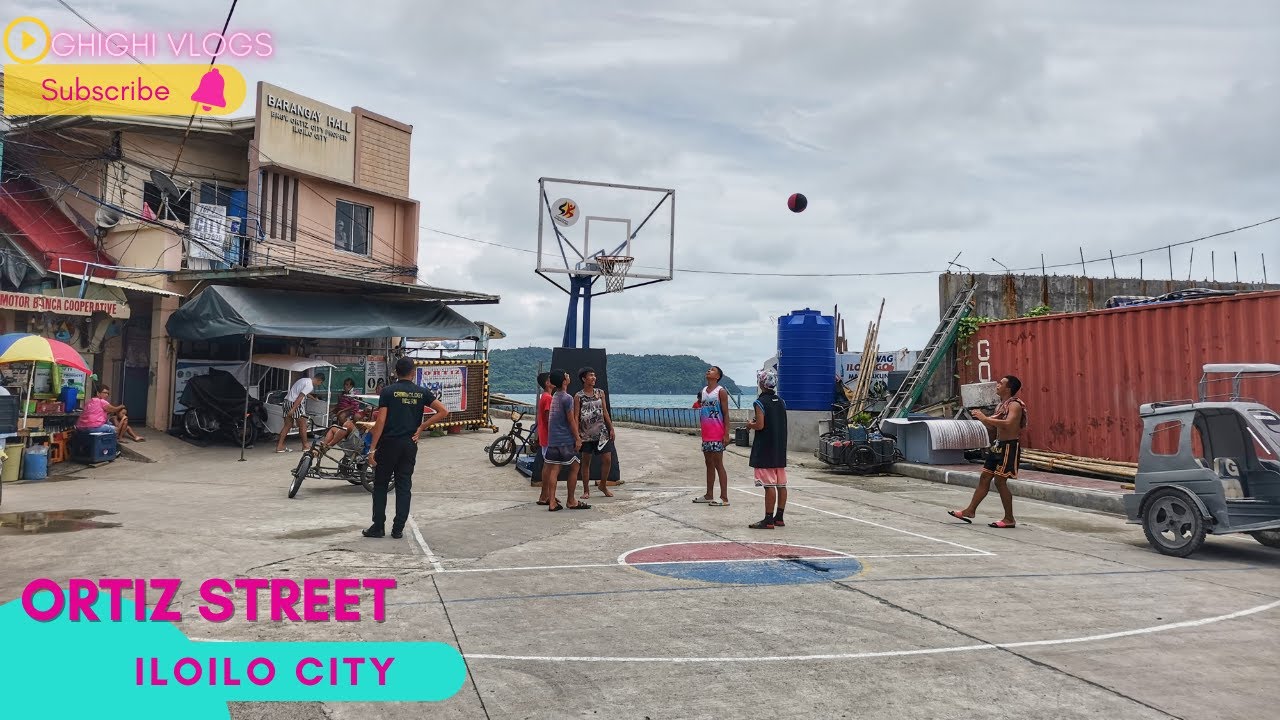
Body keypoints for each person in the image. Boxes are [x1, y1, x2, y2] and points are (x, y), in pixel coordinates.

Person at [364, 357, 449, 539]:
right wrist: (422, 427)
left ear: (396, 372)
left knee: (380, 485)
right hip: (409, 444)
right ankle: (398, 529)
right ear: (413, 372)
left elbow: (381, 421)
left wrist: (372, 449)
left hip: (389, 444)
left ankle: (378, 527)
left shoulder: (388, 392)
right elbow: (443, 411)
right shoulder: (422, 392)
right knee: (404, 486)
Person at [949, 374, 1027, 529]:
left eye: (1001, 383)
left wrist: (985, 418)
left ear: (1008, 388)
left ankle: (1009, 519)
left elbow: (1008, 424)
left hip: (1009, 447)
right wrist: (980, 420)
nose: (997, 385)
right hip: (997, 445)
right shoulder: (1001, 405)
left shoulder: (1015, 405)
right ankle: (970, 510)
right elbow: (992, 425)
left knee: (1000, 481)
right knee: (984, 477)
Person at [745, 368, 788, 529]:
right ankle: (779, 517)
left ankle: (768, 519)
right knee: (781, 484)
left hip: (765, 448)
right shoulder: (781, 402)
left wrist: (750, 425)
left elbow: (760, 425)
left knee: (768, 485)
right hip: (779, 448)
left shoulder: (760, 402)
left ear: (761, 384)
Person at [541, 369, 586, 511]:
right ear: (564, 381)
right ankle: (571, 500)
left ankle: (552, 501)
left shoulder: (554, 396)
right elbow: (571, 420)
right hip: (565, 439)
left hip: (553, 439)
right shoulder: (567, 398)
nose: (568, 376)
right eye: (566, 375)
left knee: (554, 469)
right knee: (575, 466)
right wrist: (577, 438)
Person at [574, 367, 615, 499]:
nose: (594, 378)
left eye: (594, 375)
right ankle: (586, 490)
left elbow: (605, 411)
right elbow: (576, 416)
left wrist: (611, 428)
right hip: (586, 434)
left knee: (607, 459)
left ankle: (603, 485)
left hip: (601, 433)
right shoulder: (578, 396)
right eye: (591, 375)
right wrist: (577, 436)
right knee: (586, 462)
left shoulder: (600, 393)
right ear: (584, 379)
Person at [693, 366, 731, 506]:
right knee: (708, 463)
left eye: (712, 370)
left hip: (717, 434)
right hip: (706, 435)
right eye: (708, 369)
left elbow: (726, 414)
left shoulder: (721, 392)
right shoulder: (703, 391)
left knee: (718, 464)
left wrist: (726, 434)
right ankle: (709, 495)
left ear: (717, 376)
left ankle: (724, 498)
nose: (709, 371)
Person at [275, 372, 325, 453]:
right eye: (320, 383)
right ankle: (305, 446)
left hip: (286, 402)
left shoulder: (304, 380)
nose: (318, 385)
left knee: (287, 425)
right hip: (294, 404)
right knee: (303, 425)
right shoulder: (310, 385)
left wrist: (313, 398)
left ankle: (279, 446)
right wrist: (293, 409)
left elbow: (304, 393)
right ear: (319, 380)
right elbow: (300, 397)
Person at [76, 385, 144, 442]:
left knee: (125, 427)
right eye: (105, 393)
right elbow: (114, 409)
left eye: (108, 393)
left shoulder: (89, 401)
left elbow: (102, 411)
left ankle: (135, 437)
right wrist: (121, 407)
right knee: (115, 429)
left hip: (81, 427)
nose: (107, 395)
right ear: (98, 393)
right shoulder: (102, 401)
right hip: (94, 427)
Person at [534, 372, 554, 501]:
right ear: (547, 383)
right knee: (549, 466)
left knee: (548, 465)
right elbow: (548, 418)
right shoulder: (548, 398)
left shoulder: (544, 396)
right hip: (548, 436)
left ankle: (546, 494)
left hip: (544, 435)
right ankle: (544, 495)